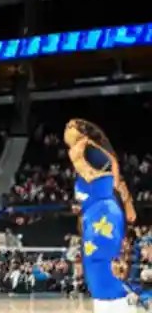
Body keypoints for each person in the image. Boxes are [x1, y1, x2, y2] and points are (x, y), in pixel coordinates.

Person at [66, 118, 138, 313]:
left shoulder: (85, 150)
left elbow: (114, 182)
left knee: (102, 267)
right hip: (96, 213)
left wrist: (128, 205)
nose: (66, 130)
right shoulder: (93, 153)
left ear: (81, 131)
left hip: (102, 213)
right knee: (95, 272)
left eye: (70, 126)